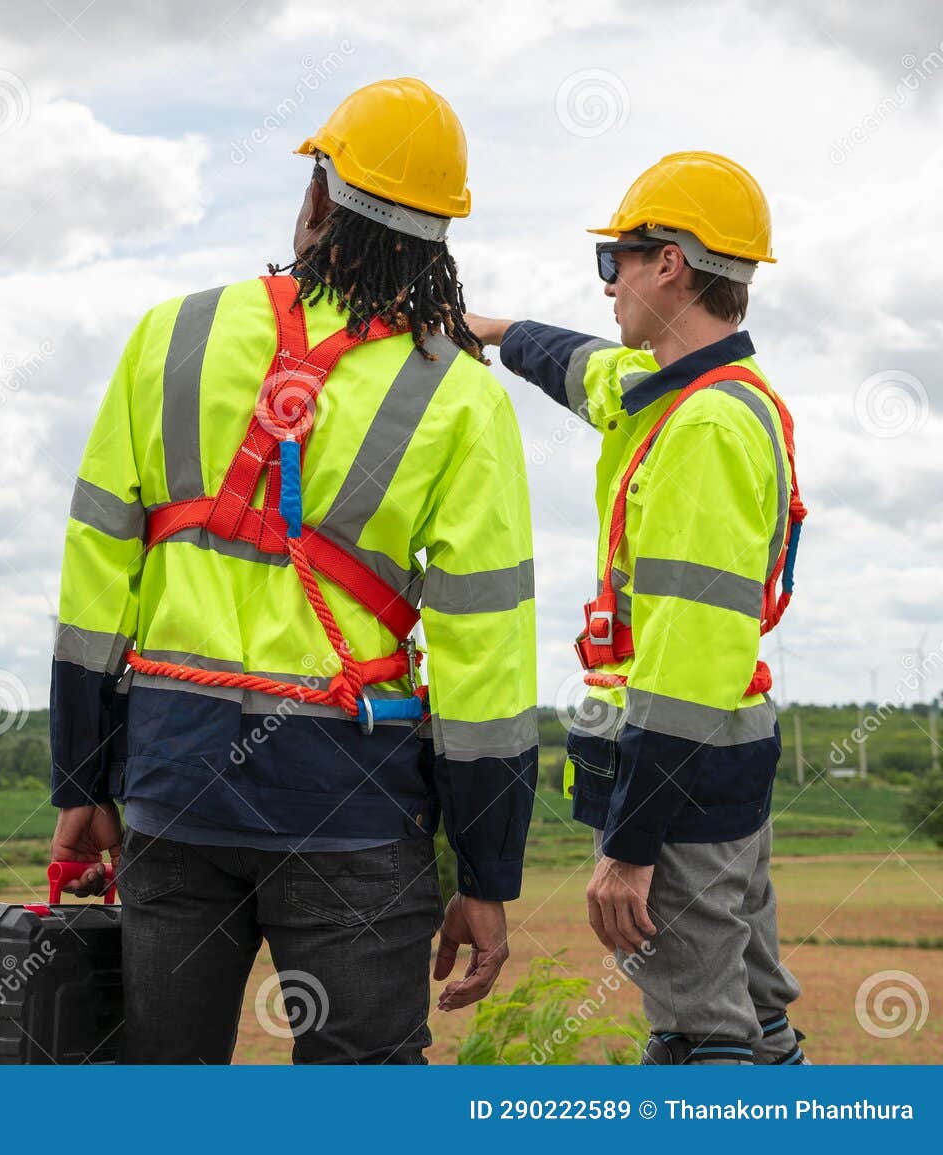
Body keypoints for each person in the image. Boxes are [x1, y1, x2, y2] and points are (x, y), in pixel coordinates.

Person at [49, 78, 538, 1064]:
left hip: (171, 781)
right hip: (348, 806)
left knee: (161, 1086)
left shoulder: (167, 335)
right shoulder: (462, 402)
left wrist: (79, 778)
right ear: (439, 237)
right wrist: (485, 873)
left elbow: (95, 576)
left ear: (318, 197)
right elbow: (486, 659)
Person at [466, 151, 808, 1065]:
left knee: (701, 1039)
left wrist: (632, 843)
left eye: (613, 260)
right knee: (757, 1019)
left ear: (671, 264)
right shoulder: (680, 393)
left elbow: (690, 660)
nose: (607, 284)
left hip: (682, 791)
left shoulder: (702, 429)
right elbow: (581, 366)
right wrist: (489, 330)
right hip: (720, 769)